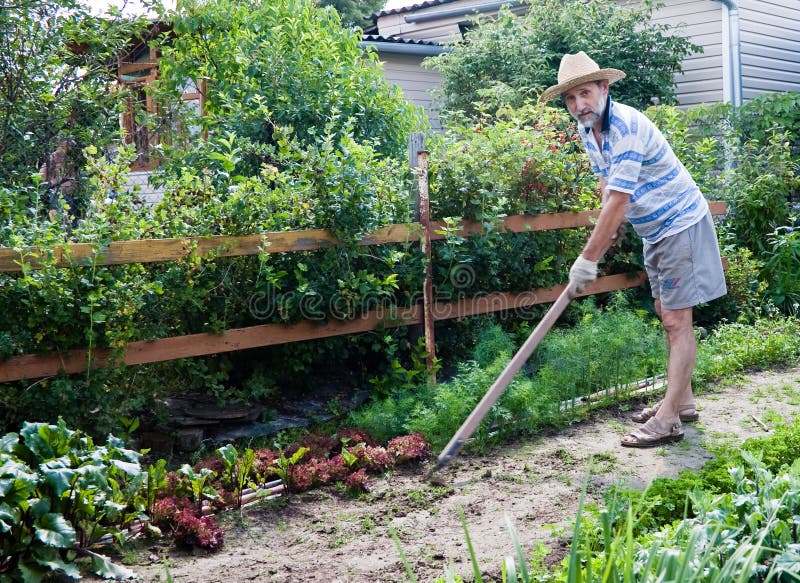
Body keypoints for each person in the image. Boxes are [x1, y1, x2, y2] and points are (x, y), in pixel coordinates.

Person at [539, 51, 727, 448]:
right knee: (665, 313)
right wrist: (604, 241)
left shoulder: (625, 126)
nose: (579, 105)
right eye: (570, 99)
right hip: (653, 230)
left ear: (604, 88)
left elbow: (618, 202)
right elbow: (609, 191)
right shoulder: (588, 131)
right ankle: (684, 401)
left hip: (680, 223)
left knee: (677, 321)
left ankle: (668, 419)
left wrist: (587, 260)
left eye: (585, 94)